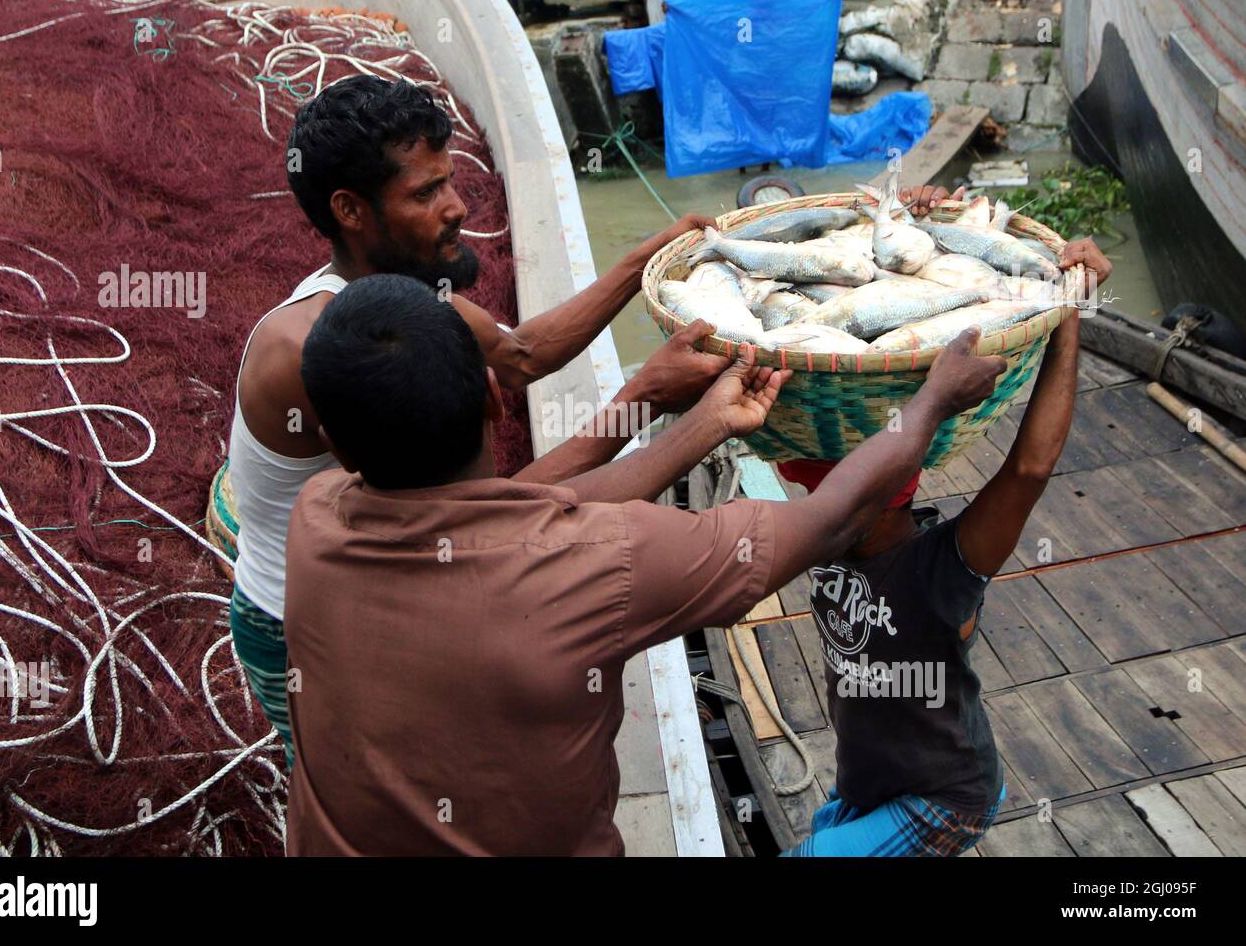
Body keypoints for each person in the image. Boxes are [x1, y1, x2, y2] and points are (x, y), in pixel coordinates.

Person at [282, 273, 1005, 855]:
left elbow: (529, 509)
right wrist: (932, 401)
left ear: (339, 450)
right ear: (497, 405)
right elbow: (834, 518)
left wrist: (700, 423)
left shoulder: (316, 518)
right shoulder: (596, 565)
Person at [227, 75, 726, 765]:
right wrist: (653, 403)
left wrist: (646, 262)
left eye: (449, 181)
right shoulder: (320, 354)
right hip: (301, 625)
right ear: (350, 209)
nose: (459, 207)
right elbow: (485, 522)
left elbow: (522, 354)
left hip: (391, 573)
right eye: (427, 193)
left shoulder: (401, 307)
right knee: (365, 799)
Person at [778, 237, 1113, 857]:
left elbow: (1031, 469)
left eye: (826, 498)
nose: (809, 509)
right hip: (868, 781)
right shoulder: (828, 538)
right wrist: (917, 221)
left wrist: (1067, 313)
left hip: (944, 796)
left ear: (875, 503)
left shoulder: (943, 567)